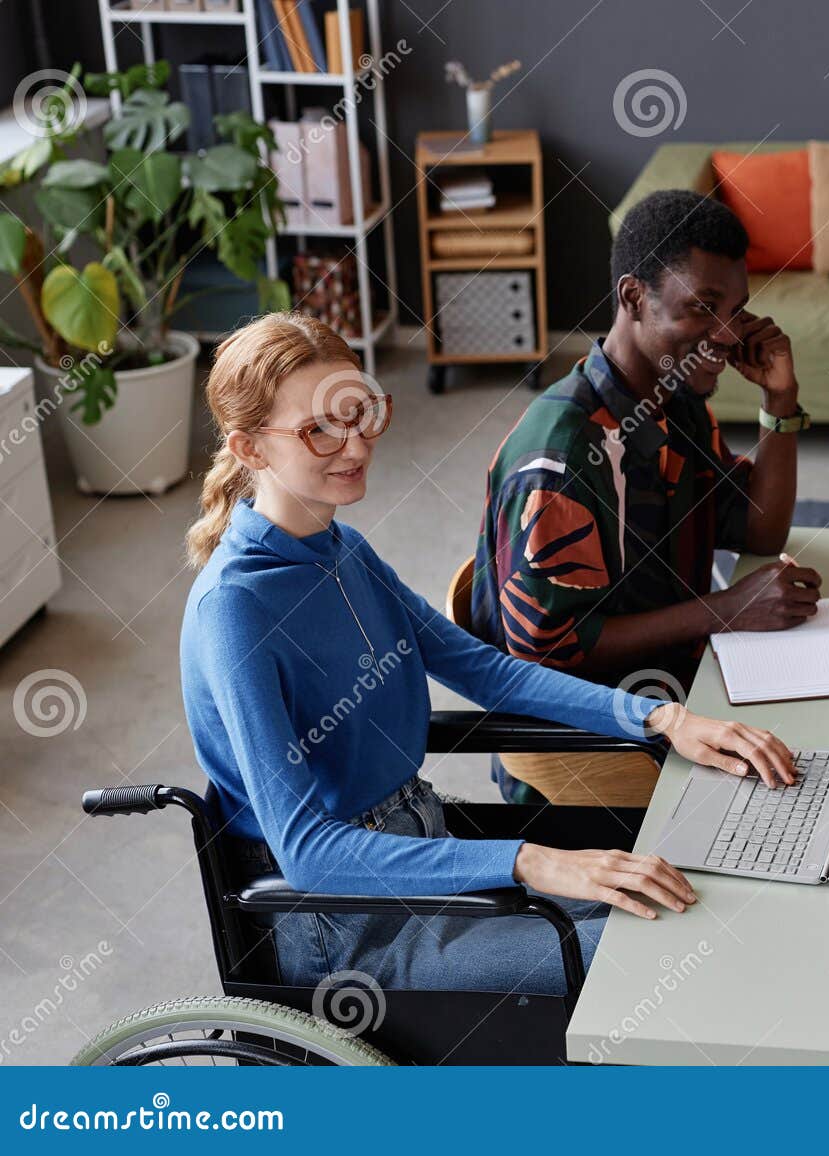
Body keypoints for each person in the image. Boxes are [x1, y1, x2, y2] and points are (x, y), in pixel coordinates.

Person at [180, 312, 797, 996]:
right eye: (319, 428)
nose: (353, 444)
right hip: (352, 928)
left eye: (359, 412)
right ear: (250, 448)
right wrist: (533, 862)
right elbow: (308, 853)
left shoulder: (344, 550)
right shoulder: (234, 609)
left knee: (687, 896)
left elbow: (483, 669)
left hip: (425, 851)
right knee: (653, 952)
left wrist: (660, 721)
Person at [471, 189, 817, 709]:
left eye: (735, 310)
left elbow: (759, 530)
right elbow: (547, 651)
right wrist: (724, 610)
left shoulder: (675, 399)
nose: (726, 335)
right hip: (602, 731)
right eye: (702, 307)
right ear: (634, 298)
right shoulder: (562, 458)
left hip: (679, 683)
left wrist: (781, 401)